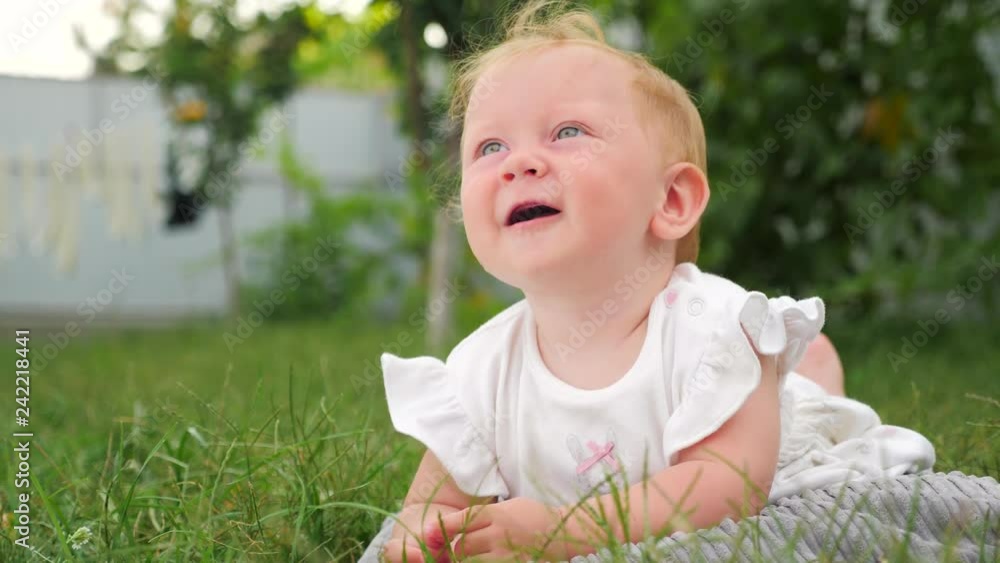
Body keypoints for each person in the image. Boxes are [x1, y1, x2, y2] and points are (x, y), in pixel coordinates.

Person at [379, 1, 935, 560]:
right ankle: (810, 366)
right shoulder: (481, 368)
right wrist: (421, 537)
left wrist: (566, 530)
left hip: (777, 459)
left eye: (567, 132)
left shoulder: (711, 332)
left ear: (670, 200)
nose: (517, 163)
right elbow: (431, 503)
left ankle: (810, 378)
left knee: (808, 418)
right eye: (489, 147)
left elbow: (727, 484)